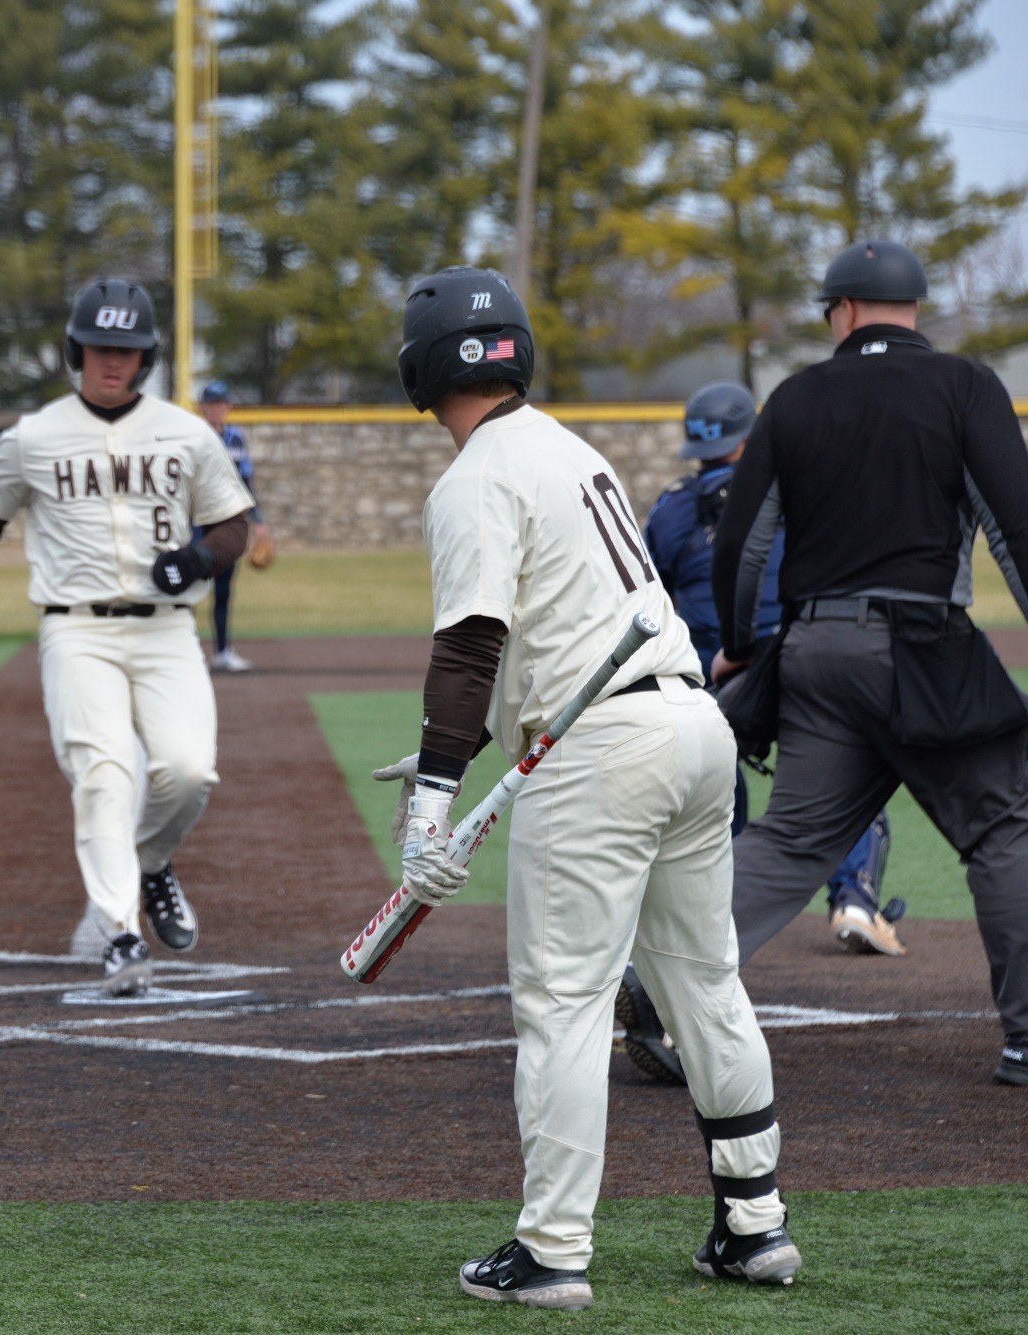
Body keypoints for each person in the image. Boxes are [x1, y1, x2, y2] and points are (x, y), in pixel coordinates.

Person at [381, 267, 794, 1310]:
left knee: (562, 1002)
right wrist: (448, 756)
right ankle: (753, 1227)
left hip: (599, 750)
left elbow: (471, 643)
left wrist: (433, 794)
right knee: (703, 981)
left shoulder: (473, 477)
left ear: (420, 369)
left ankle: (553, 1250)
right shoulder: (571, 449)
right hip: (688, 728)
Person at [709, 239, 1028, 1086]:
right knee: (1003, 823)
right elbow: (1016, 523)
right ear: (914, 309)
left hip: (813, 649)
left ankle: (666, 991)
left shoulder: (796, 397)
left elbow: (743, 544)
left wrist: (741, 648)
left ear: (841, 313)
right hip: (923, 645)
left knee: (791, 837)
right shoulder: (964, 385)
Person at [0, 278, 254, 996]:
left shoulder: (185, 431)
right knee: (104, 774)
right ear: (77, 350)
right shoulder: (36, 436)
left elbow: (234, 521)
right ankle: (120, 932)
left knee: (188, 769)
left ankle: (149, 859)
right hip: (76, 632)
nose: (115, 361)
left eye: (130, 350)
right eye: (102, 348)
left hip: (168, 631)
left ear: (147, 357)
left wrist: (202, 558)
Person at [644, 383, 902, 956]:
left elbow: (643, 590)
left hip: (712, 675)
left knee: (716, 791)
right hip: (801, 659)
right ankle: (854, 899)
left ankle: (713, 908)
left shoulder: (673, 504)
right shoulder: (798, 488)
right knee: (846, 783)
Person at [196, 380, 271, 673]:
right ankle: (186, 651)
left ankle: (223, 652)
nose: (218, 409)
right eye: (212, 403)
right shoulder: (196, 437)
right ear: (203, 407)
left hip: (228, 524)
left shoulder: (236, 439)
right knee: (189, 586)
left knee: (224, 590)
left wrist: (259, 522)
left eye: (222, 403)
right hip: (198, 522)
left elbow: (246, 482)